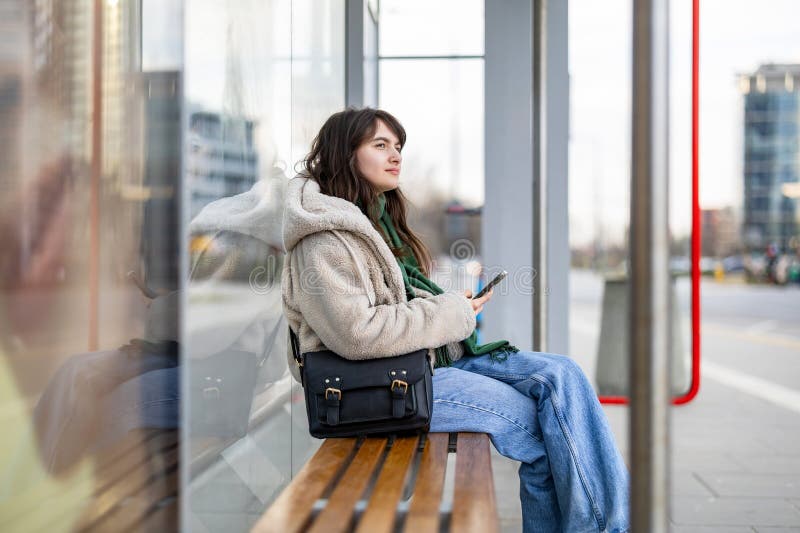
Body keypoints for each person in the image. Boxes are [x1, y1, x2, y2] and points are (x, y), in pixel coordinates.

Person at [281, 107, 629, 533]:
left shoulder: (370, 223)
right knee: (542, 434)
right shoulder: (323, 240)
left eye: (398, 146)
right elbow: (357, 334)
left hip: (419, 363)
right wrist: (449, 313)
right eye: (380, 145)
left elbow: (396, 307)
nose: (396, 156)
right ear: (345, 154)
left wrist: (451, 307)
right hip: (376, 383)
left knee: (563, 373)